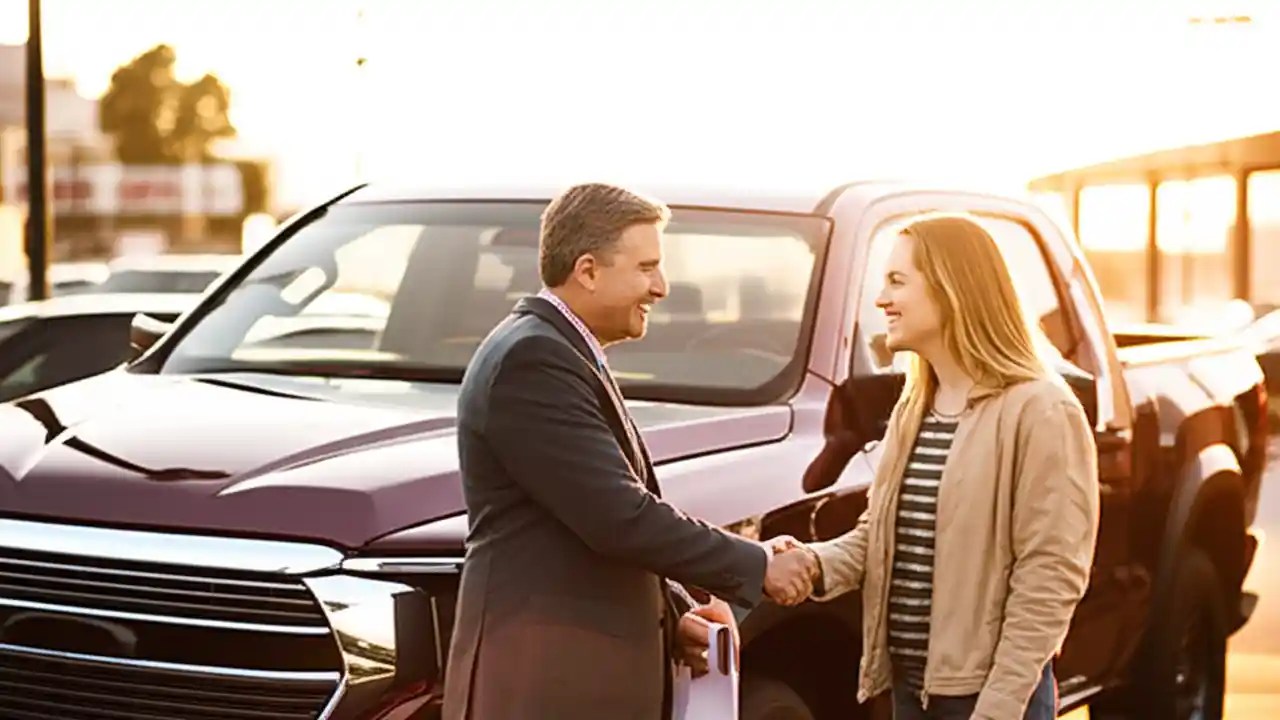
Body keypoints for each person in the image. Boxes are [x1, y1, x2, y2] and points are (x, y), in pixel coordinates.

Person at [442, 182, 817, 720]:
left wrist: (675, 612)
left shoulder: (560, 350)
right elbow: (618, 516)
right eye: (646, 267)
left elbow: (593, 528)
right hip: (547, 684)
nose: (662, 287)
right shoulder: (534, 360)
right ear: (588, 270)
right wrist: (758, 565)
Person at [781, 214, 1100, 720]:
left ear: (953, 288)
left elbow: (1050, 577)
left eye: (897, 281)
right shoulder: (917, 403)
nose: (881, 299)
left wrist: (998, 708)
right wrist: (810, 564)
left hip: (987, 700)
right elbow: (881, 536)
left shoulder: (1041, 409)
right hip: (915, 690)